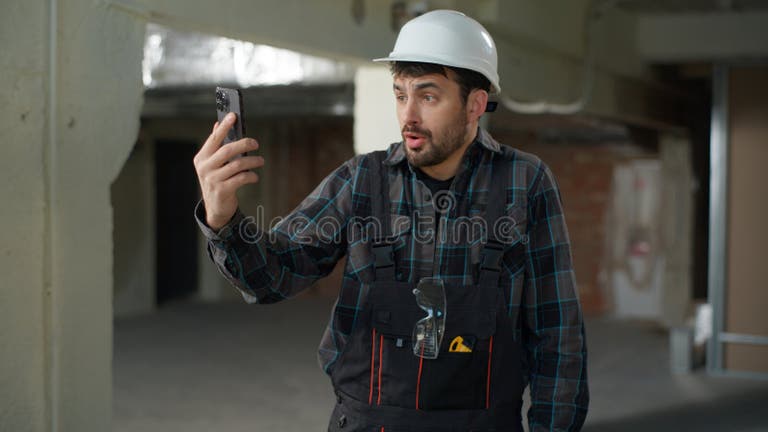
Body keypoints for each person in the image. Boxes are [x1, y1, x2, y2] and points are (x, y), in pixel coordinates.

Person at [193, 9, 589, 431]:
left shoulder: (525, 183)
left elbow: (557, 336)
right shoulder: (362, 180)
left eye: (428, 96)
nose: (409, 116)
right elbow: (271, 277)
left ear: (475, 104)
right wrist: (223, 217)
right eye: (401, 94)